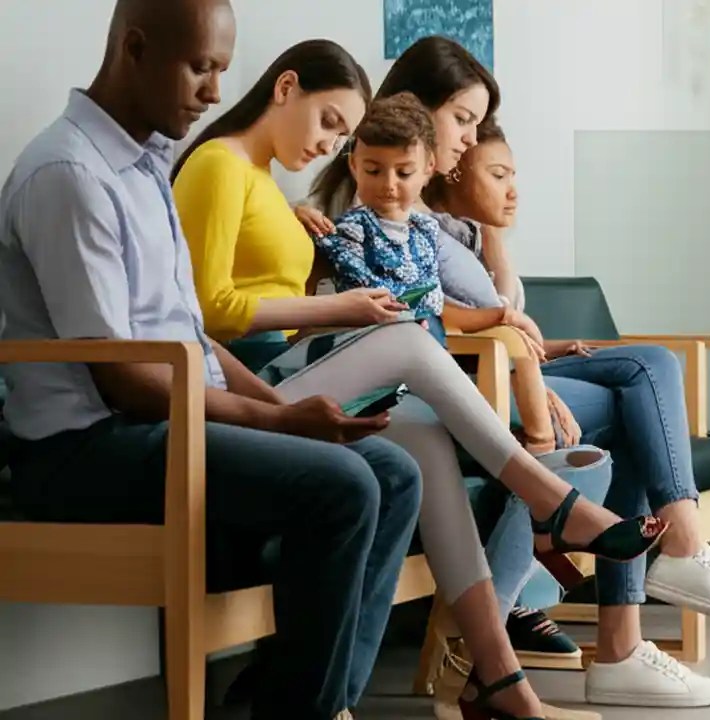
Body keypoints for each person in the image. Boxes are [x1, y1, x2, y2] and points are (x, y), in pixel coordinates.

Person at [170, 39, 663, 720]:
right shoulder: (221, 168)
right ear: (285, 89)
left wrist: (299, 237)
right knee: (403, 337)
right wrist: (337, 306)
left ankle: (497, 680)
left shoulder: (260, 178)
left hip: (302, 374)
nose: (331, 144)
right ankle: (550, 499)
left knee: (427, 446)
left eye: (343, 132)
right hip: (250, 384)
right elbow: (202, 313)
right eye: (331, 125)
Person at [0, 2, 419, 719]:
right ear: (134, 48)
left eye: (221, 71)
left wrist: (283, 410)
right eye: (201, 68)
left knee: (395, 472)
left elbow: (193, 337)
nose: (216, 93)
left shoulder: (143, 167)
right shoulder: (68, 173)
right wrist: (280, 424)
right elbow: (128, 381)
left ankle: (320, 703)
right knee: (343, 486)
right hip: (81, 448)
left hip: (151, 426)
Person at [427, 121, 710, 708]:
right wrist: (531, 375)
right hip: (481, 386)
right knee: (640, 385)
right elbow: (449, 328)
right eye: (499, 174)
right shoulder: (413, 228)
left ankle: (638, 622)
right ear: (451, 166)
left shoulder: (467, 234)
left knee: (647, 378)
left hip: (516, 370)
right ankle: (654, 591)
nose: (513, 189)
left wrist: (494, 239)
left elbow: (505, 311)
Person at [313, 92, 560, 457]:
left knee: (511, 350)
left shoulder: (427, 231)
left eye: (404, 171)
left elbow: (435, 303)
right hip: (380, 362)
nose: (389, 184)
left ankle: (542, 453)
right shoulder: (352, 230)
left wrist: (498, 315)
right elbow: (373, 297)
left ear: (429, 168)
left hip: (434, 357)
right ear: (354, 166)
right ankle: (528, 467)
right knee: (465, 413)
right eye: (373, 170)